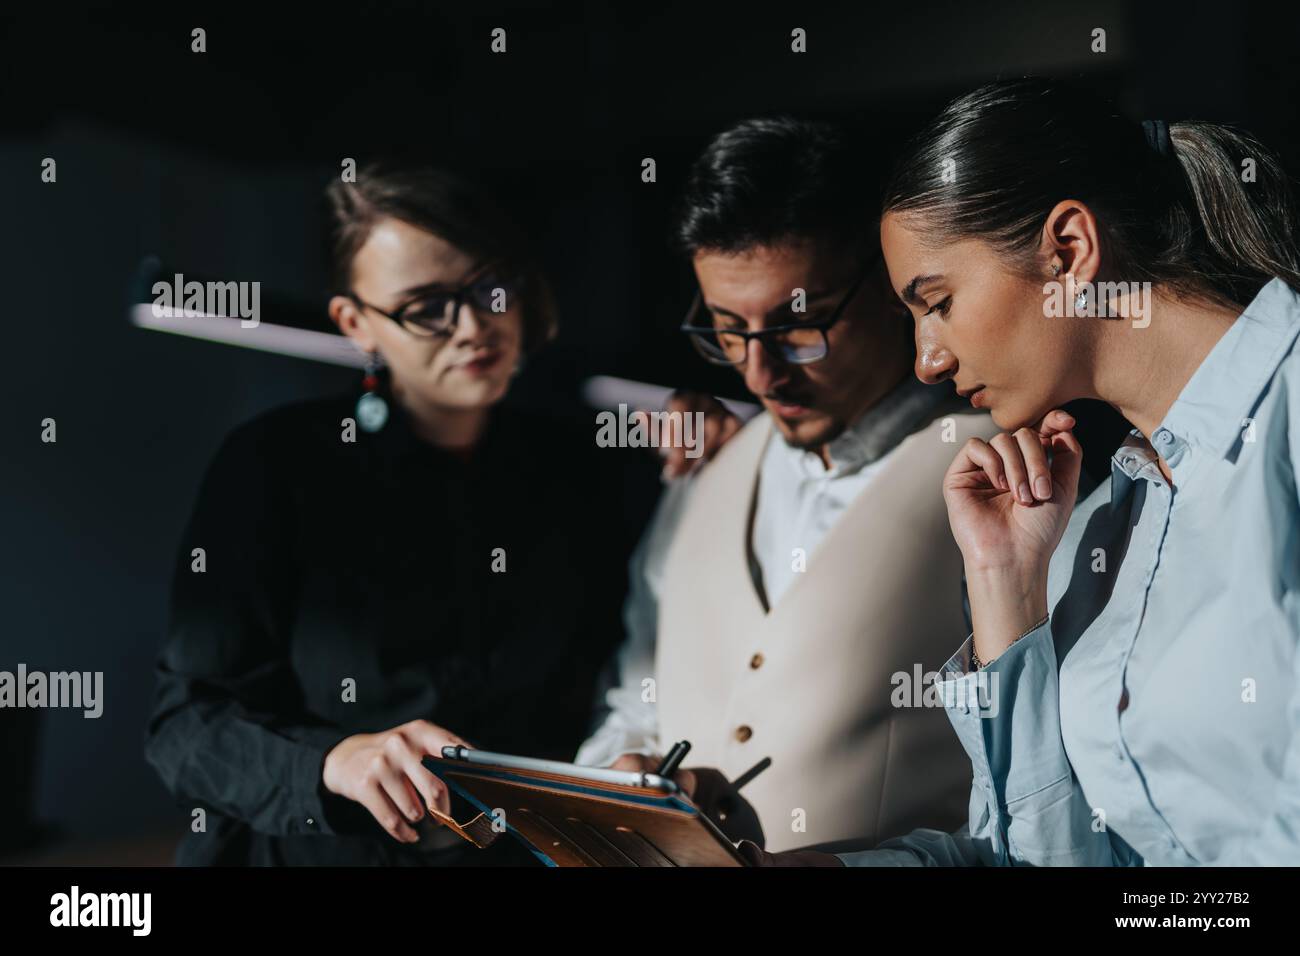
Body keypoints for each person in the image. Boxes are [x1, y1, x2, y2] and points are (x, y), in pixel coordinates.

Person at [810, 77, 1300, 866]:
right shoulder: (1103, 529)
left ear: (1068, 249)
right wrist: (1007, 590)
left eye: (937, 302)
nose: (927, 361)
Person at [144, 163, 661, 865]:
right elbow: (184, 726)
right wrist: (336, 762)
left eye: (490, 288)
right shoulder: (275, 466)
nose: (475, 326)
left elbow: (617, 685)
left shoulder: (580, 472)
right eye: (427, 308)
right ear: (356, 324)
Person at [575, 117, 1002, 853]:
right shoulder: (700, 474)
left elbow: (1039, 779)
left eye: (798, 328)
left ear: (891, 283)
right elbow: (638, 694)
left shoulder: (1007, 477)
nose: (758, 373)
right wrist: (624, 774)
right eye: (726, 329)